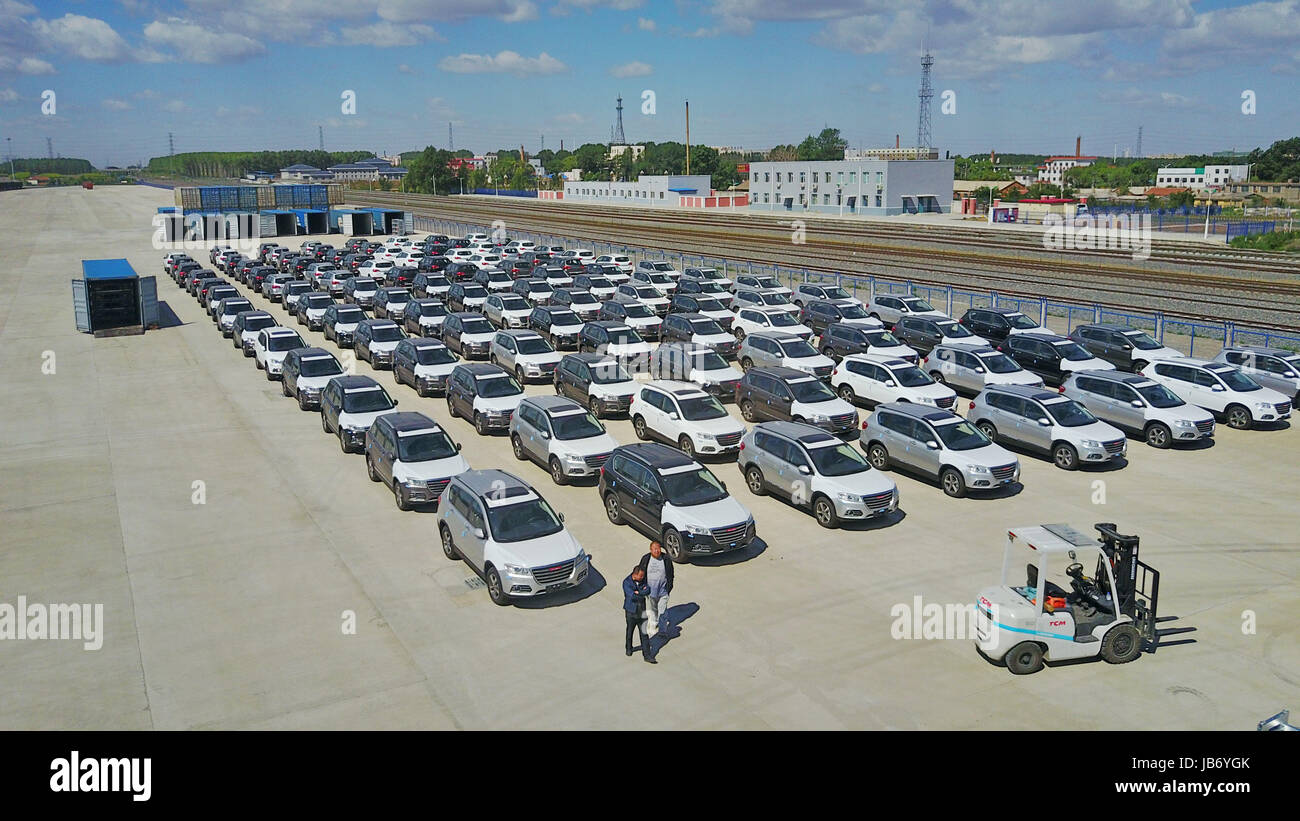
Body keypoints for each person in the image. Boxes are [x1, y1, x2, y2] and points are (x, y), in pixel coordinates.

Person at [638, 541, 674, 639]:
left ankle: (662, 631)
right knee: (652, 611)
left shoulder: (666, 559)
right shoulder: (646, 559)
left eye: (659, 548)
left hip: (663, 592)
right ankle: (654, 625)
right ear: (650, 550)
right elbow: (640, 574)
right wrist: (642, 587)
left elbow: (671, 574)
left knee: (662, 612)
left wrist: (669, 587)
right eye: (655, 549)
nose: (657, 551)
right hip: (650, 593)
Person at [622, 566, 655, 664]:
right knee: (630, 631)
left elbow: (648, 590)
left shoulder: (643, 581)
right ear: (635, 574)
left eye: (643, 576)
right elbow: (632, 595)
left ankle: (647, 655)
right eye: (640, 576)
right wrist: (641, 593)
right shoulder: (626, 582)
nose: (642, 578)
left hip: (642, 613)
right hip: (631, 612)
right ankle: (629, 648)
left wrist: (639, 592)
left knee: (644, 634)